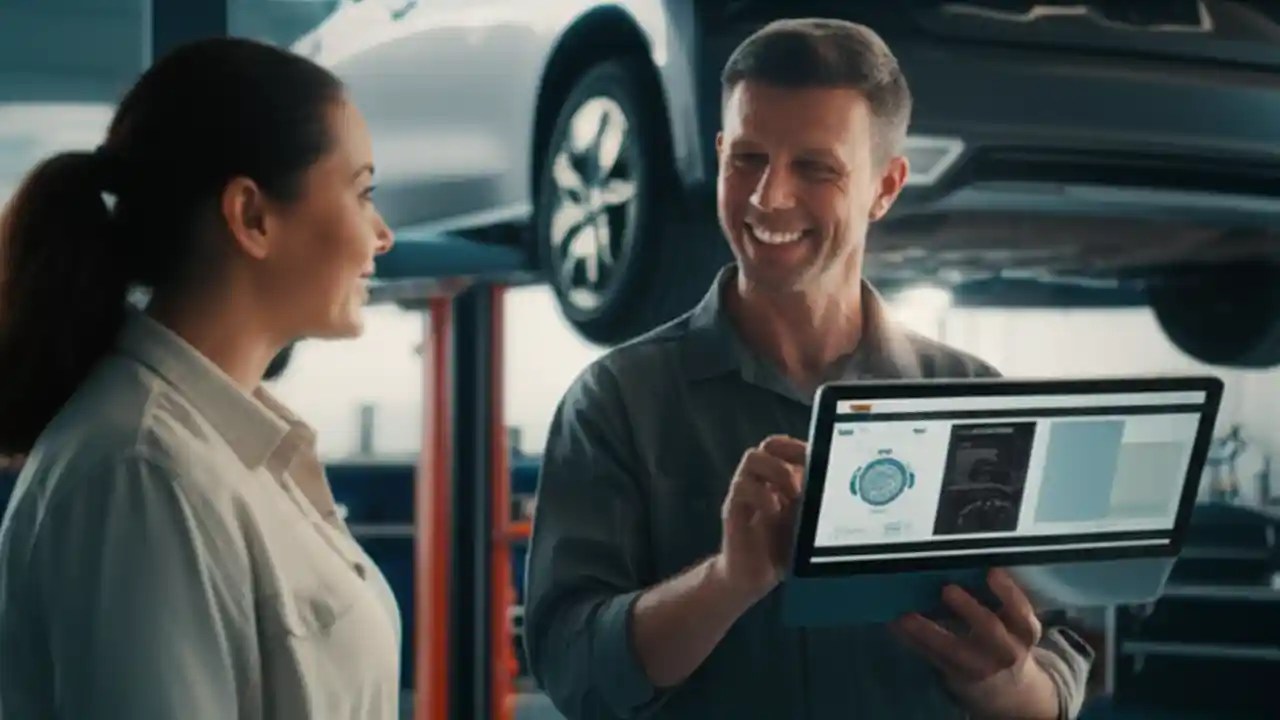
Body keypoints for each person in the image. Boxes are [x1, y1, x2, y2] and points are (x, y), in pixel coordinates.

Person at [523, 18, 1094, 720]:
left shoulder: (973, 399)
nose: (770, 197)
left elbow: (1057, 665)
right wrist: (728, 582)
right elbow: (574, 671)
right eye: (748, 159)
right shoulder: (616, 404)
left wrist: (1001, 683)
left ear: (885, 186)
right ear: (720, 153)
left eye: (815, 168)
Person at [0, 37, 399, 719]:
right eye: (362, 193)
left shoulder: (222, 450)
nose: (382, 234)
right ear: (252, 217)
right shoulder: (142, 471)